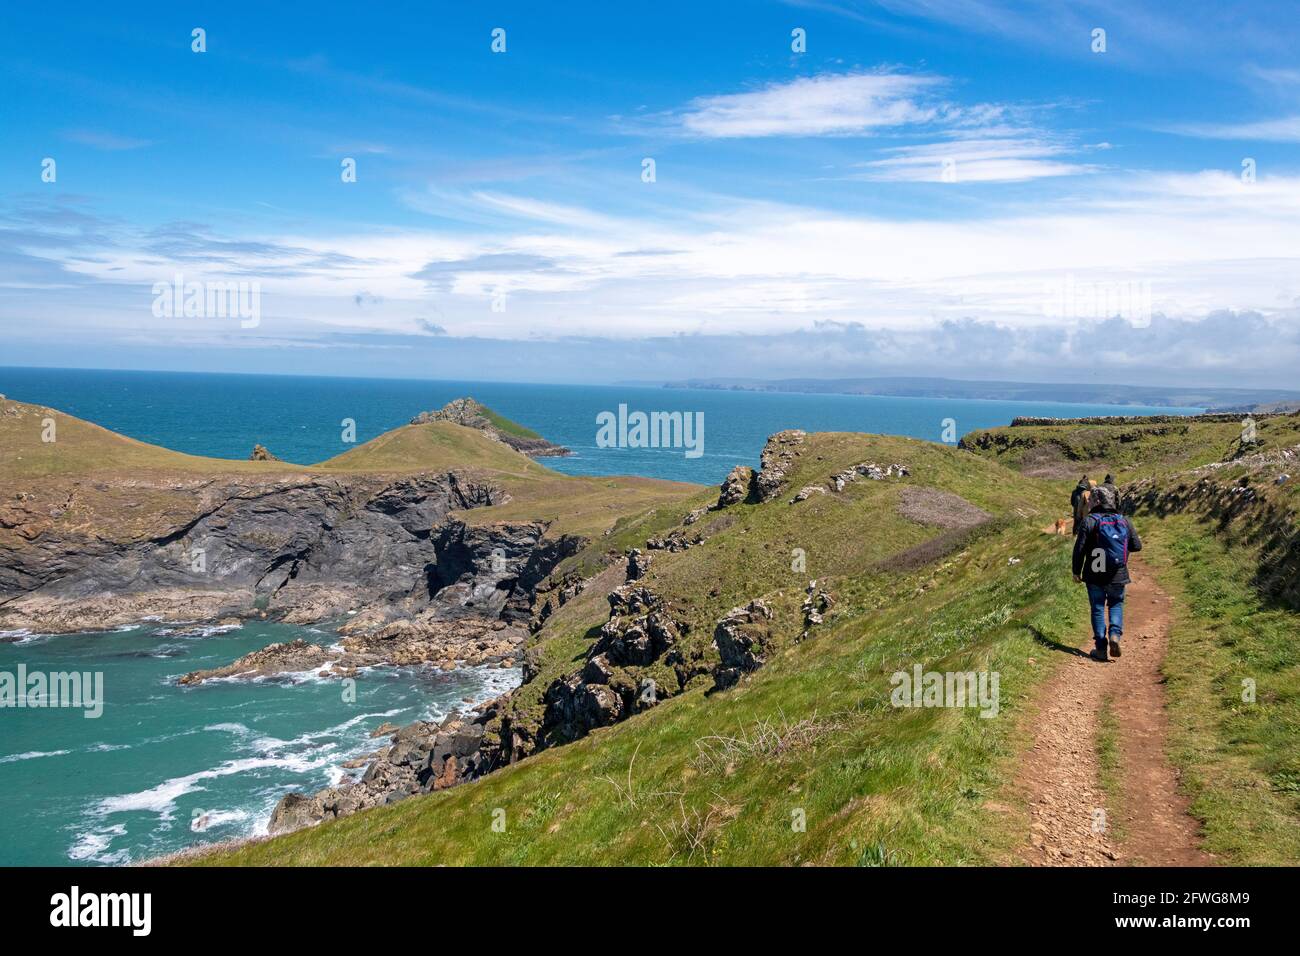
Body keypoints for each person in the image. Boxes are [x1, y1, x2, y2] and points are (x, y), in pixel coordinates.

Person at [1072, 484, 1142, 662]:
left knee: (1097, 607)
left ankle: (1101, 648)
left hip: (1095, 570)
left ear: (1095, 501)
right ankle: (1115, 635)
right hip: (1118, 571)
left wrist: (1076, 571)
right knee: (1116, 604)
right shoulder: (1123, 520)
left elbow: (1079, 549)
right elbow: (1136, 546)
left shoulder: (1090, 520)